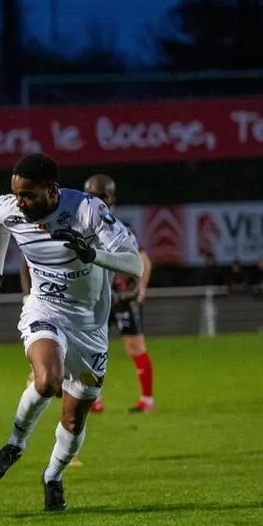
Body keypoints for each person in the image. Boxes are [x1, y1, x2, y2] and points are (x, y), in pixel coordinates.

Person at [0, 153, 143, 511]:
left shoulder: (87, 210)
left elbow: (134, 264)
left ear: (52, 190)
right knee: (48, 379)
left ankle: (53, 476)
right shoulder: (11, 207)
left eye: (29, 195)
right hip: (44, 309)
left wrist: (92, 253)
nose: (20, 202)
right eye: (16, 194)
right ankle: (14, 445)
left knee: (73, 416)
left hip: (90, 326)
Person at [84, 174, 154, 414]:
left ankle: (147, 399)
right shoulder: (78, 227)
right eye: (92, 196)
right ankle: (94, 398)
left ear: (112, 199)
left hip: (121, 298)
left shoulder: (121, 229)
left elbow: (143, 261)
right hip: (93, 299)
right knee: (90, 349)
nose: (98, 201)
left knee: (135, 347)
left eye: (102, 196)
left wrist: (140, 289)